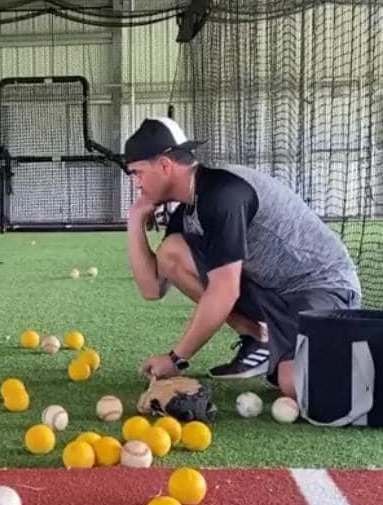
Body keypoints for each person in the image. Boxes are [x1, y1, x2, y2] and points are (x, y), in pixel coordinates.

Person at [124, 117, 361, 400]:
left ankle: (352, 354)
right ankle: (258, 339)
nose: (136, 184)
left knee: (296, 386)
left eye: (137, 173)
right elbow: (152, 288)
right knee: (171, 252)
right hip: (269, 293)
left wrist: (176, 358)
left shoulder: (223, 193)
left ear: (165, 165)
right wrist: (135, 219)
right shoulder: (188, 210)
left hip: (320, 287)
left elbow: (225, 290)